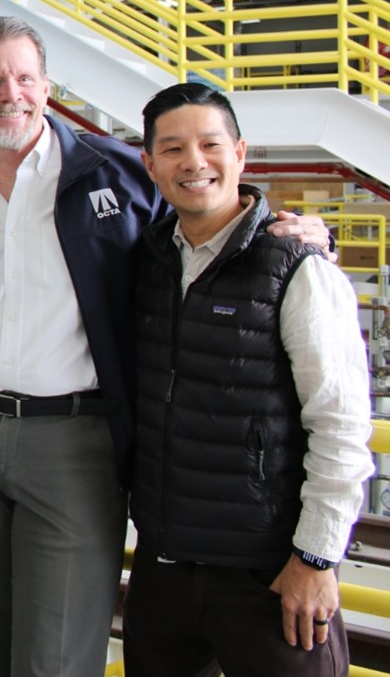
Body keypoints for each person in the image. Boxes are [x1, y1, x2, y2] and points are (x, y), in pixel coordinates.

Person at [0, 15, 332, 676]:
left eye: (24, 76)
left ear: (46, 86)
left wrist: (295, 226)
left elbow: (209, 217)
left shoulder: (118, 179)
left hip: (75, 443)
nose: (9, 92)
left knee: (56, 657)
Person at [123, 83, 372, 677]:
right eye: (174, 148)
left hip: (270, 575)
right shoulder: (147, 259)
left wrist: (315, 557)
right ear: (150, 164)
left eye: (210, 144)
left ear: (240, 153)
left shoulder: (297, 268)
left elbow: (340, 425)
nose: (194, 162)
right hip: (166, 569)